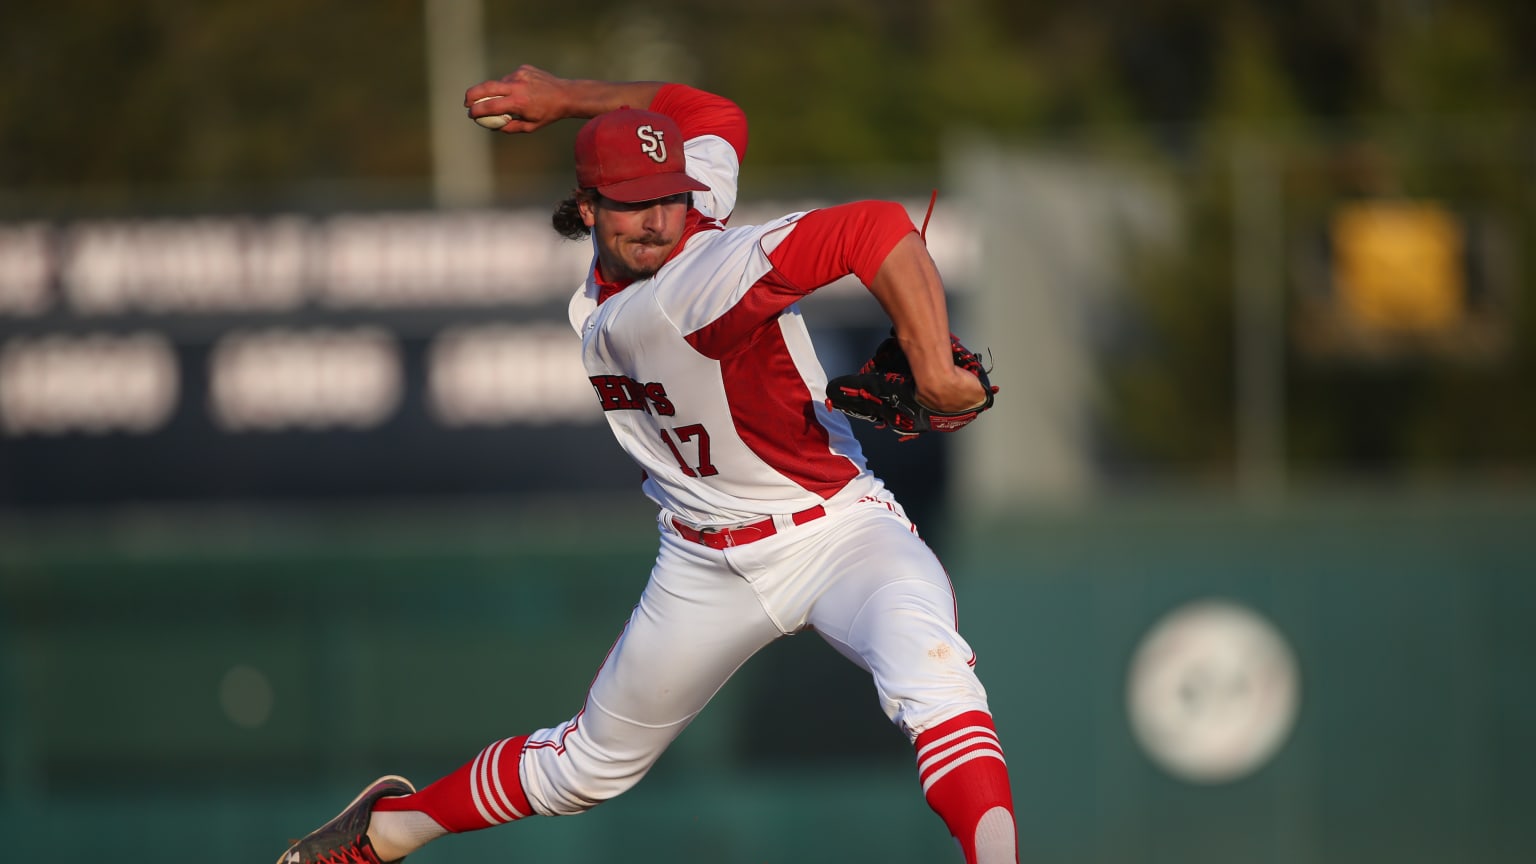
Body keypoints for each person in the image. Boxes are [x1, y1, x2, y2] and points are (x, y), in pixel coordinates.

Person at [276, 65, 1015, 864]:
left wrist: (566, 96)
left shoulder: (686, 218)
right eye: (631, 203)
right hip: (701, 561)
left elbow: (706, 110)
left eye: (669, 194)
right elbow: (870, 227)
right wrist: (934, 369)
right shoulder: (677, 296)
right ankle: (387, 831)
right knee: (586, 770)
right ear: (586, 208)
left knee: (935, 679)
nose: (659, 220)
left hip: (838, 531)